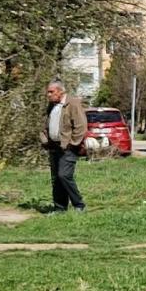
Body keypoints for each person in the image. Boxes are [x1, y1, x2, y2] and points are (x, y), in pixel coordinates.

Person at [44, 80, 88, 212]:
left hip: (68, 148)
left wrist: (72, 144)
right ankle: (60, 208)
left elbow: (81, 126)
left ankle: (79, 205)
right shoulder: (52, 105)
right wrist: (45, 140)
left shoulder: (73, 103)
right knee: (56, 178)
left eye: (51, 92)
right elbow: (46, 124)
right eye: (48, 92)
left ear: (60, 91)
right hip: (54, 147)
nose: (48, 94)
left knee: (64, 175)